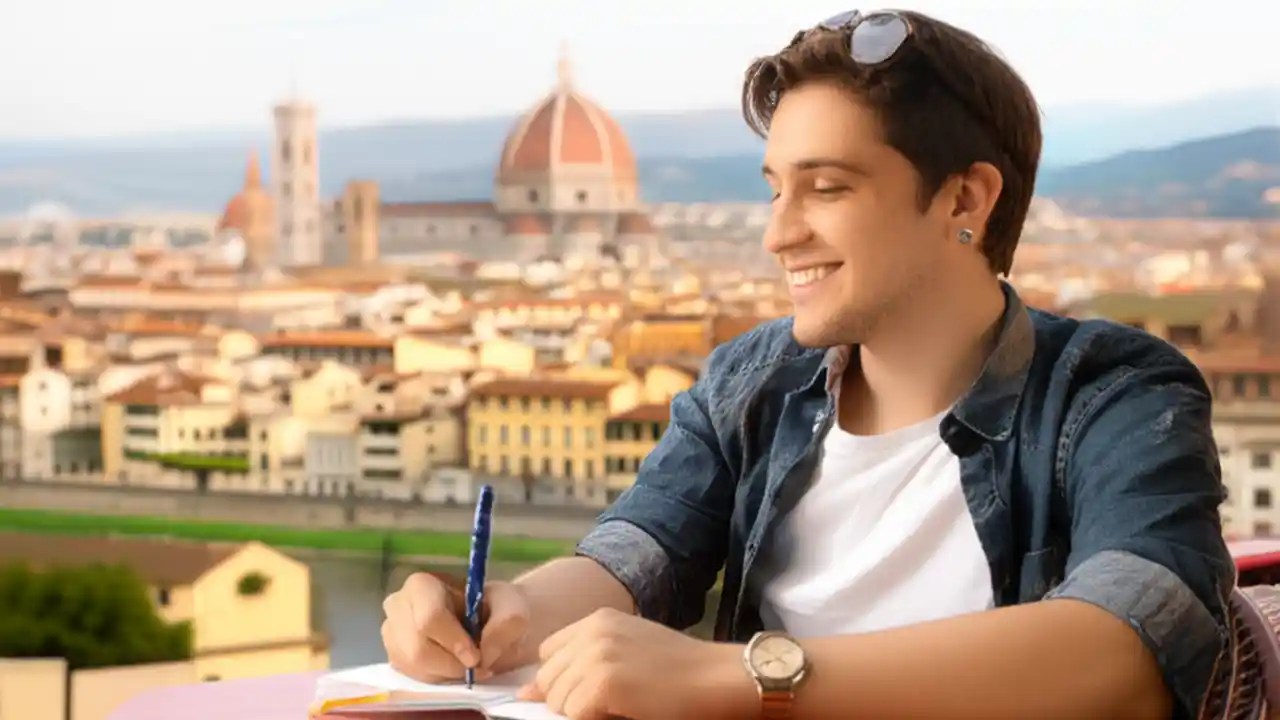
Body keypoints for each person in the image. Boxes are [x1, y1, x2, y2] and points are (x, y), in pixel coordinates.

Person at [381, 9, 1236, 720]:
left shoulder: (1112, 394)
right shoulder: (754, 381)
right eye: (774, 188)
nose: (777, 233)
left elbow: (1129, 645)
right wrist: (510, 613)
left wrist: (743, 676)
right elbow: (638, 553)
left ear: (965, 198)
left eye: (826, 188)